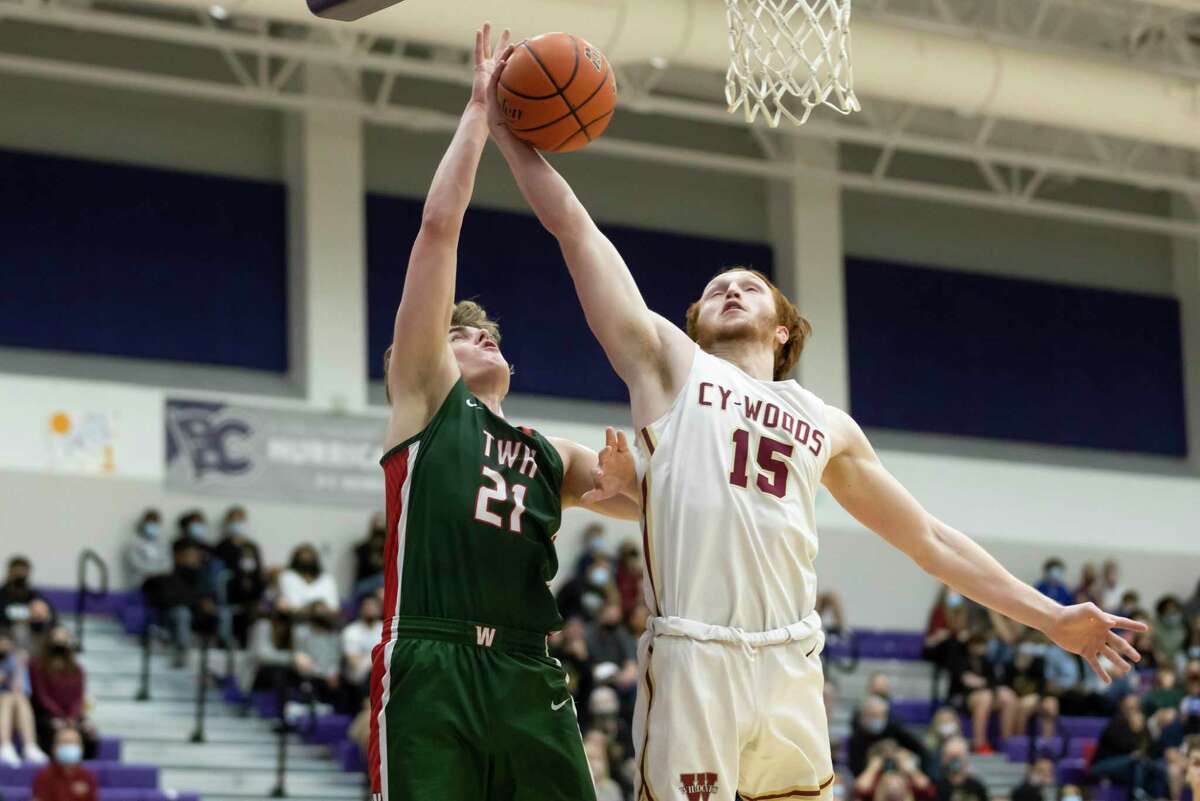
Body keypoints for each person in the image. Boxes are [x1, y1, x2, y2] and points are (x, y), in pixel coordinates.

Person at [486, 40, 1146, 801]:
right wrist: (510, 138)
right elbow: (577, 232)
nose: (732, 290)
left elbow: (928, 539)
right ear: (695, 322)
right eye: (717, 288)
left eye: (751, 286)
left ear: (782, 330)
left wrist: (1051, 615)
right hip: (697, 653)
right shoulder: (671, 367)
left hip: (792, 658)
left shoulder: (826, 423)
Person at [366, 24, 643, 801]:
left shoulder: (546, 448)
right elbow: (438, 229)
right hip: (432, 658)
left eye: (485, 331)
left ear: (509, 362)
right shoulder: (425, 402)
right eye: (458, 332)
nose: (475, 334)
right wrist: (478, 113)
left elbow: (649, 507)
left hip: (528, 664)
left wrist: (632, 482)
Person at [28, 627, 96, 758]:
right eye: (56, 638)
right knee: (54, 729)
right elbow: (42, 696)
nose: (59, 643)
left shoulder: (77, 669)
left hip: (71, 714)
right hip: (46, 714)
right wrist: (60, 716)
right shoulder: (37, 666)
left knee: (90, 732)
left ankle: (84, 769)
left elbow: (78, 697)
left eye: (63, 639)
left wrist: (72, 717)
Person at [947, 633, 1017, 754]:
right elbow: (966, 681)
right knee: (985, 697)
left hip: (986, 695)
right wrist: (984, 684)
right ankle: (979, 742)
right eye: (977, 645)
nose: (981, 648)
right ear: (970, 646)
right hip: (964, 698)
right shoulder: (960, 660)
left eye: (983, 645)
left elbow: (994, 682)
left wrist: (984, 684)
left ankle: (1006, 740)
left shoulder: (987, 662)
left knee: (1008, 696)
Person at [1090, 697, 1168, 799]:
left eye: (1135, 706)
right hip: (1103, 764)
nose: (1133, 709)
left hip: (1129, 767)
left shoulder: (1143, 727)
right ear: (1123, 707)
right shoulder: (1116, 723)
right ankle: (1137, 793)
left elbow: (1151, 750)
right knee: (1137, 761)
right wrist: (1135, 731)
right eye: (1130, 706)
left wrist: (1143, 732)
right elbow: (1122, 746)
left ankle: (1158, 797)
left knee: (1155, 767)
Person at [0, 628, 48, 767]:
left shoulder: (16, 661)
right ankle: (5, 744)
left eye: (6, 643)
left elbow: (20, 689)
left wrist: (18, 668)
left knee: (19, 699)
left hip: (12, 709)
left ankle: (29, 746)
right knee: (8, 698)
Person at [849, 696, 928, 777]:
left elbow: (921, 749)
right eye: (874, 715)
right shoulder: (856, 739)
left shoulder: (895, 729)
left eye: (882, 715)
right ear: (863, 716)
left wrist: (900, 754)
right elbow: (856, 772)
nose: (878, 719)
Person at [30, 726, 97, 801]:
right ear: (54, 748)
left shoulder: (87, 777)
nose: (69, 746)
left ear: (81, 748)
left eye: (72, 743)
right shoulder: (44, 776)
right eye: (64, 743)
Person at [853, 739, 934, 801]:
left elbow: (926, 789)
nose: (890, 758)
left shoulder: (906, 773)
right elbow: (859, 790)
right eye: (884, 755)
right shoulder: (875, 775)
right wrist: (872, 768)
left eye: (893, 753)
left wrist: (910, 768)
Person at [341, 594, 382, 714]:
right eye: (367, 606)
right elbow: (353, 662)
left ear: (379, 609)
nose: (370, 609)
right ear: (361, 609)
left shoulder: (385, 629)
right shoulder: (351, 631)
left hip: (381, 677)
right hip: (358, 682)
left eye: (373, 606)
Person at [277, 545, 339, 614]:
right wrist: (311, 608)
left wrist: (320, 608)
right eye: (303, 559)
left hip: (325, 619)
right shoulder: (288, 577)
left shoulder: (327, 579)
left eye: (309, 559)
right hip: (297, 618)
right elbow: (289, 604)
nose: (306, 561)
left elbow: (334, 607)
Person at [124, 509, 171, 591]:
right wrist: (156, 572)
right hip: (141, 581)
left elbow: (168, 564)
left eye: (156, 523)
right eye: (150, 523)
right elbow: (137, 565)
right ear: (144, 524)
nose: (153, 525)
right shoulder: (134, 543)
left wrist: (159, 573)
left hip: (161, 580)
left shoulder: (163, 543)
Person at [0, 557, 46, 628]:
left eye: (23, 572)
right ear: (10, 572)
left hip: (30, 632)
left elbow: (48, 617)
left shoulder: (34, 595)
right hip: (5, 631)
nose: (20, 575)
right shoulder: (2, 594)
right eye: (17, 572)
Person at [353, 513, 388, 600]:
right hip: (364, 584)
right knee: (381, 579)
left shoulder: (389, 549)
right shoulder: (363, 548)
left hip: (383, 586)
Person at [1154, 596, 1190, 668]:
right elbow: (1153, 644)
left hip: (1180, 658)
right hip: (1160, 661)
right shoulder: (1156, 626)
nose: (1171, 614)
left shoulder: (1185, 626)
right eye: (1167, 611)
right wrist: (1157, 653)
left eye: (1174, 611)